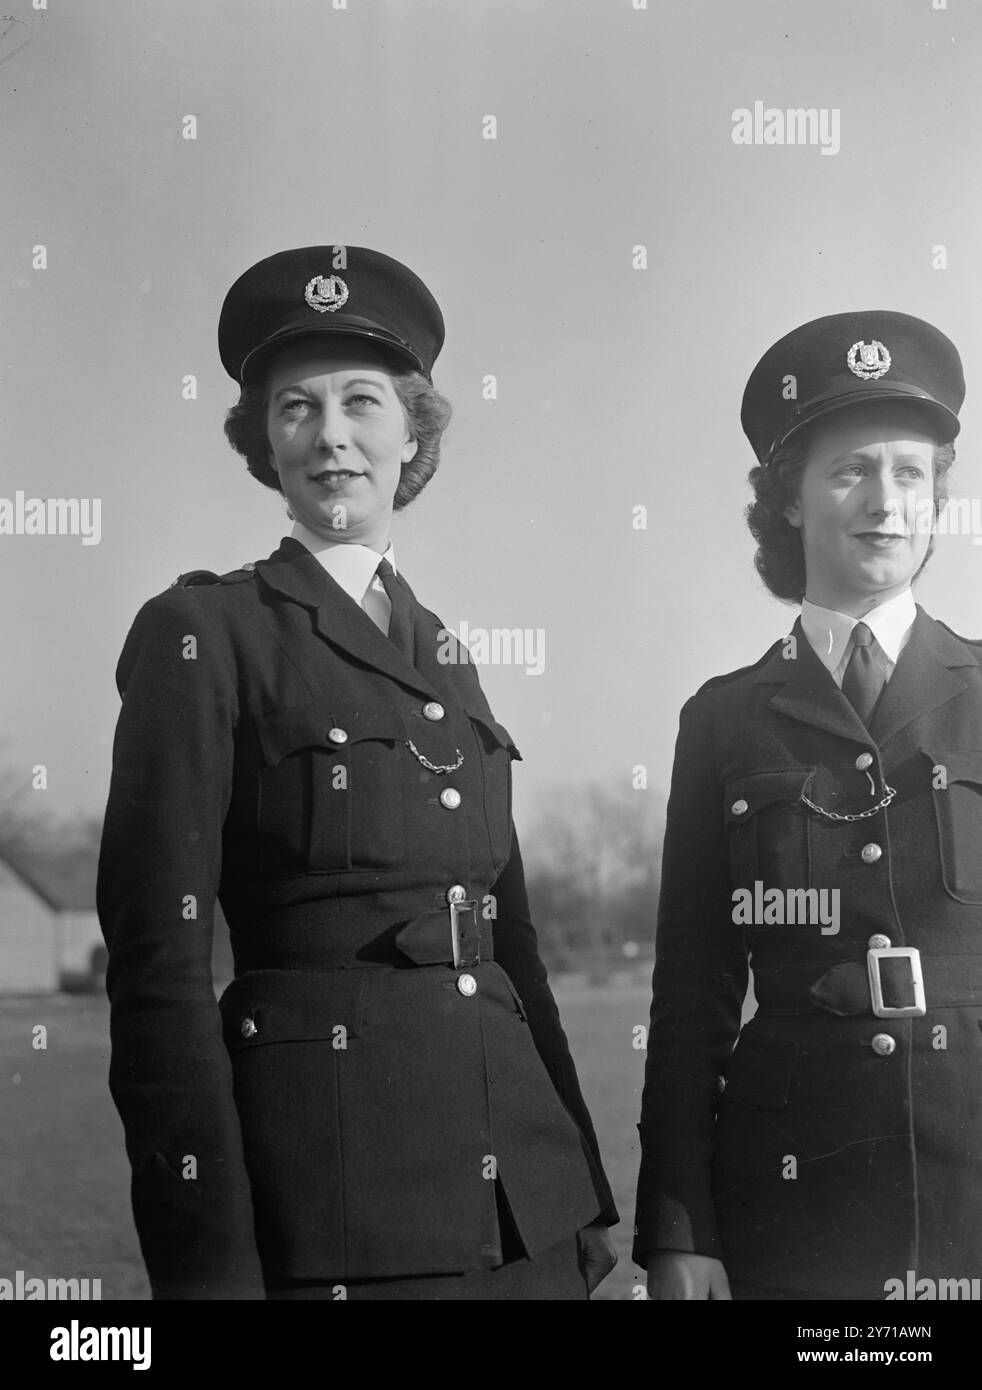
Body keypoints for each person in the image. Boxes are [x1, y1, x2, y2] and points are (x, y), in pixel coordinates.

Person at [97, 244, 618, 1300]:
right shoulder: (205, 631)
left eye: (362, 402)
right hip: (339, 1207)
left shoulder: (447, 655)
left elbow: (509, 943)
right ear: (264, 442)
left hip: (526, 1209)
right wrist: (209, 1266)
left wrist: (586, 1193)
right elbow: (159, 968)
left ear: (411, 431)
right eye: (296, 408)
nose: (331, 436)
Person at [634, 310, 982, 1301]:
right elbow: (692, 991)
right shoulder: (723, 721)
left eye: (909, 474)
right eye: (849, 472)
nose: (884, 502)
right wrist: (679, 1226)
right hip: (796, 1201)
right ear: (787, 499)